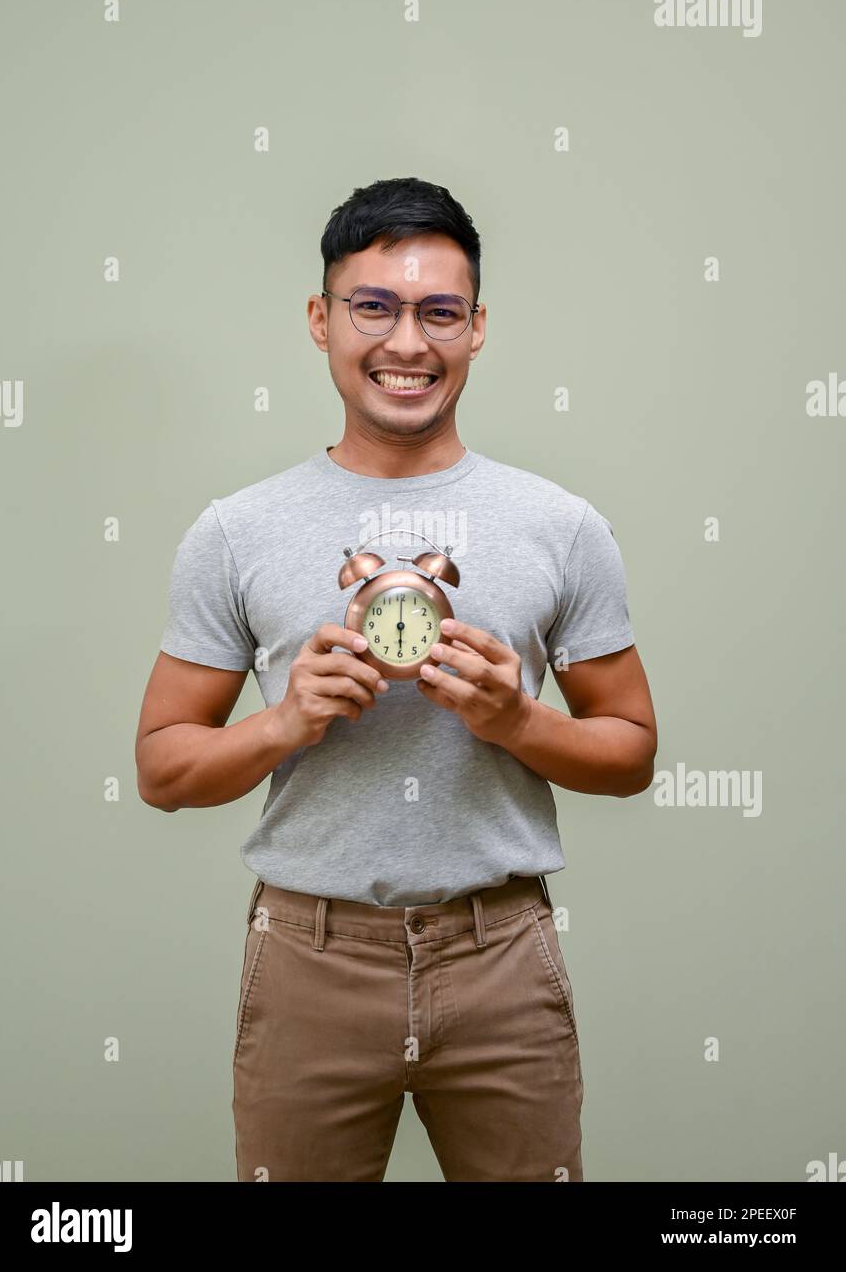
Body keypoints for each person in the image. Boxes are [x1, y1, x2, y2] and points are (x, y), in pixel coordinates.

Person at [135, 175, 657, 1182]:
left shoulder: (560, 524)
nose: (406, 343)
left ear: (476, 328)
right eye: (373, 307)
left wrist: (516, 720)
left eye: (438, 312)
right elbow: (162, 768)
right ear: (321, 320)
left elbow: (630, 752)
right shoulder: (236, 530)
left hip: (500, 950)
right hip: (308, 956)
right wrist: (283, 722)